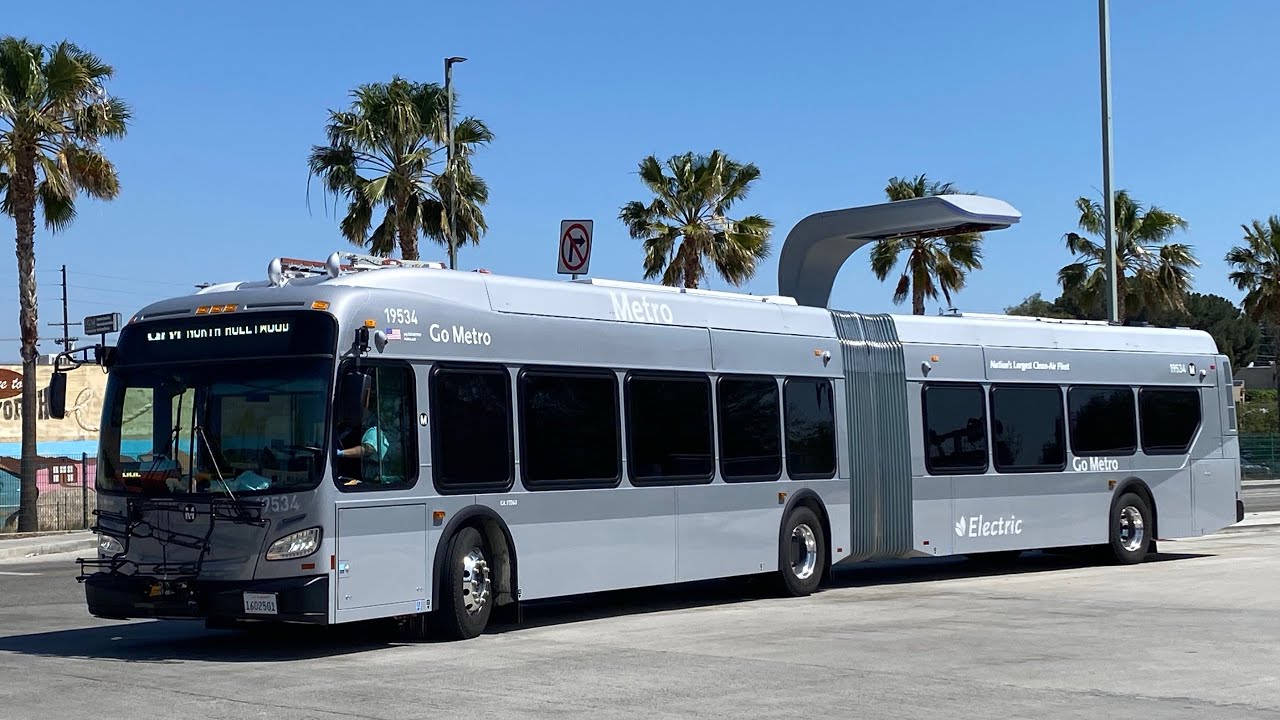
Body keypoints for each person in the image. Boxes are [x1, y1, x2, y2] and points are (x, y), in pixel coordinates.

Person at [335, 381, 389, 484]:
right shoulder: (344, 426)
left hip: (365, 485)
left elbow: (369, 449)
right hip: (341, 479)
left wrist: (341, 453)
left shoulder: (373, 426)